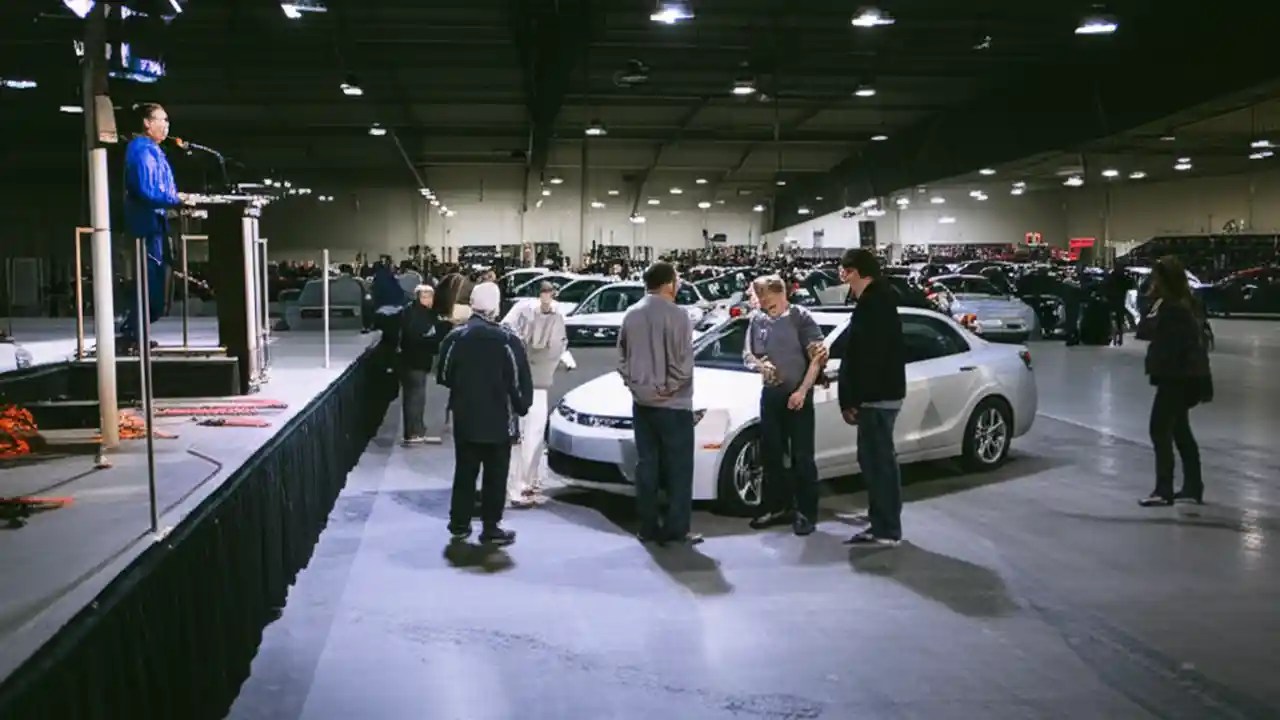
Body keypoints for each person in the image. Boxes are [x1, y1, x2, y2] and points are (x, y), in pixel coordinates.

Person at [436, 282, 532, 545]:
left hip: (466, 419)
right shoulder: (507, 340)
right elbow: (520, 382)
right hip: (499, 420)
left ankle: (459, 524)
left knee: (464, 473)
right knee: (495, 476)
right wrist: (522, 406)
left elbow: (443, 375)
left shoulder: (455, 337)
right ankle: (491, 528)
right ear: (497, 306)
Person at [617, 261, 701, 545]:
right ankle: (677, 530)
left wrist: (638, 388)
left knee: (647, 466)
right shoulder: (679, 316)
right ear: (669, 283)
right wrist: (669, 389)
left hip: (642, 406)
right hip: (674, 406)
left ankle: (647, 527)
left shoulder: (631, 314)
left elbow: (622, 359)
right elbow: (684, 363)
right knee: (679, 469)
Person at [742, 275, 827, 535]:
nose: (760, 301)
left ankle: (806, 512)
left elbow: (818, 358)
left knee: (802, 456)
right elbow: (748, 354)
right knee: (771, 454)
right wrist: (761, 365)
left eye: (763, 295)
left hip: (797, 397)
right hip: (771, 395)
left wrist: (802, 391)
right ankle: (777, 506)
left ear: (778, 293)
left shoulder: (801, 317)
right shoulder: (758, 320)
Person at [837, 248, 906, 547]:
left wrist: (853, 398)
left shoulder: (874, 303)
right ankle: (882, 522)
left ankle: (886, 529)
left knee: (878, 463)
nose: (843, 275)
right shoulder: (877, 300)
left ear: (857, 271)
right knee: (877, 461)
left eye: (846, 269)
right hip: (879, 394)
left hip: (876, 397)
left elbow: (868, 356)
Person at [1135, 256, 1212, 507]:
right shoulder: (1188, 304)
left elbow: (1144, 330)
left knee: (1159, 429)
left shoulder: (1172, 309)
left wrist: (1149, 300)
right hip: (1187, 377)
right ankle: (1192, 486)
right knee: (1180, 431)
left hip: (1175, 378)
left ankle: (1163, 489)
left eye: (1157, 279)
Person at [120, 102, 187, 353]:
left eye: (168, 121)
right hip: (146, 226)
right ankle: (131, 334)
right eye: (162, 120)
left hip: (157, 225)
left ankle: (136, 332)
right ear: (147, 123)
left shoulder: (156, 151)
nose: (166, 125)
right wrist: (176, 200)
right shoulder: (140, 150)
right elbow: (147, 190)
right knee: (149, 286)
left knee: (157, 288)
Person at [502, 281, 569, 507]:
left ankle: (529, 480)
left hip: (540, 381)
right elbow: (506, 329)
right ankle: (517, 485)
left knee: (535, 434)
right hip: (523, 380)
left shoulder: (558, 313)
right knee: (521, 435)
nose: (547, 298)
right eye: (544, 293)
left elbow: (560, 343)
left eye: (550, 293)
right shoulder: (523, 310)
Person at [399, 284, 448, 446]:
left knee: (414, 397)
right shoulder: (420, 315)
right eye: (428, 297)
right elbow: (421, 337)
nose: (431, 300)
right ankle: (413, 432)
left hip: (411, 360)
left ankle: (416, 429)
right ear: (422, 297)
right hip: (415, 361)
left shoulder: (411, 311)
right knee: (415, 397)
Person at [1101, 266, 1132, 346]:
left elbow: (1105, 286)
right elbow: (1129, 285)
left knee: (1111, 317)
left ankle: (1112, 333)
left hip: (1111, 299)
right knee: (1119, 319)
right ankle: (1119, 336)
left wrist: (1105, 295)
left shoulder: (1110, 277)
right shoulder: (1124, 278)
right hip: (1120, 300)